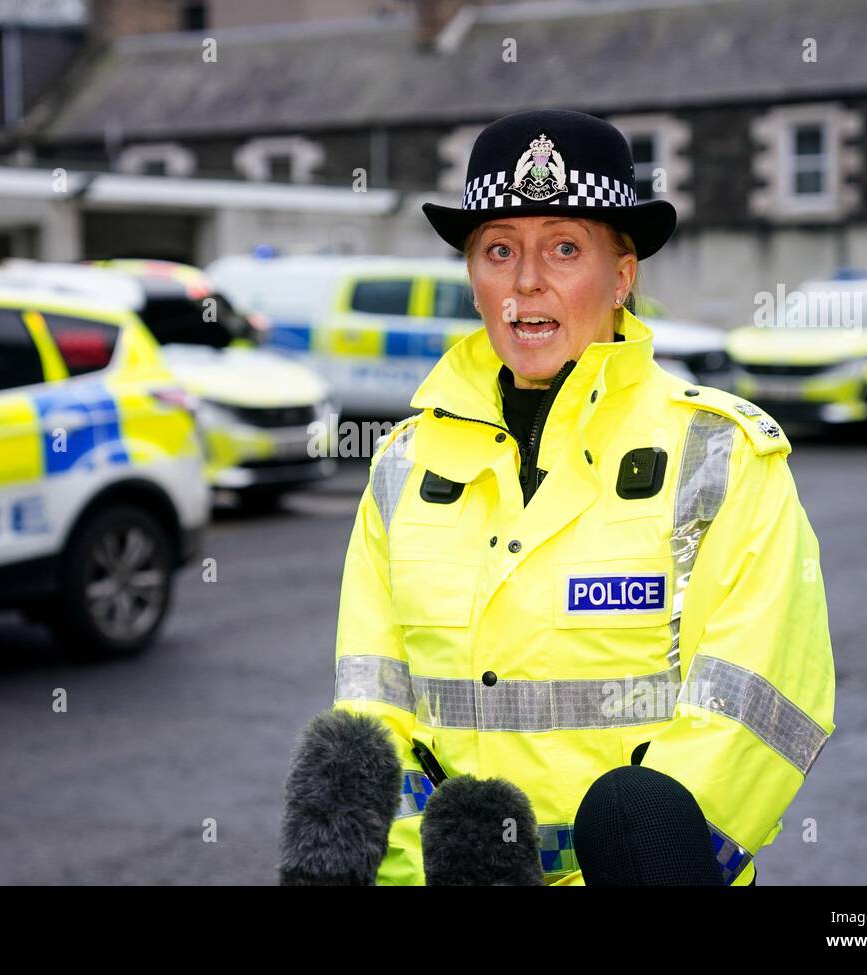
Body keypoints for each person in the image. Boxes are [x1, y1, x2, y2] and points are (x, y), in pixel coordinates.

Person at [330, 109, 835, 885]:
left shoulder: (722, 455)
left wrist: (642, 860)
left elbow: (759, 707)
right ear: (473, 277)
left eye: (564, 247)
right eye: (499, 250)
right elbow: (373, 708)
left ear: (623, 273)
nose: (527, 281)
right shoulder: (400, 465)